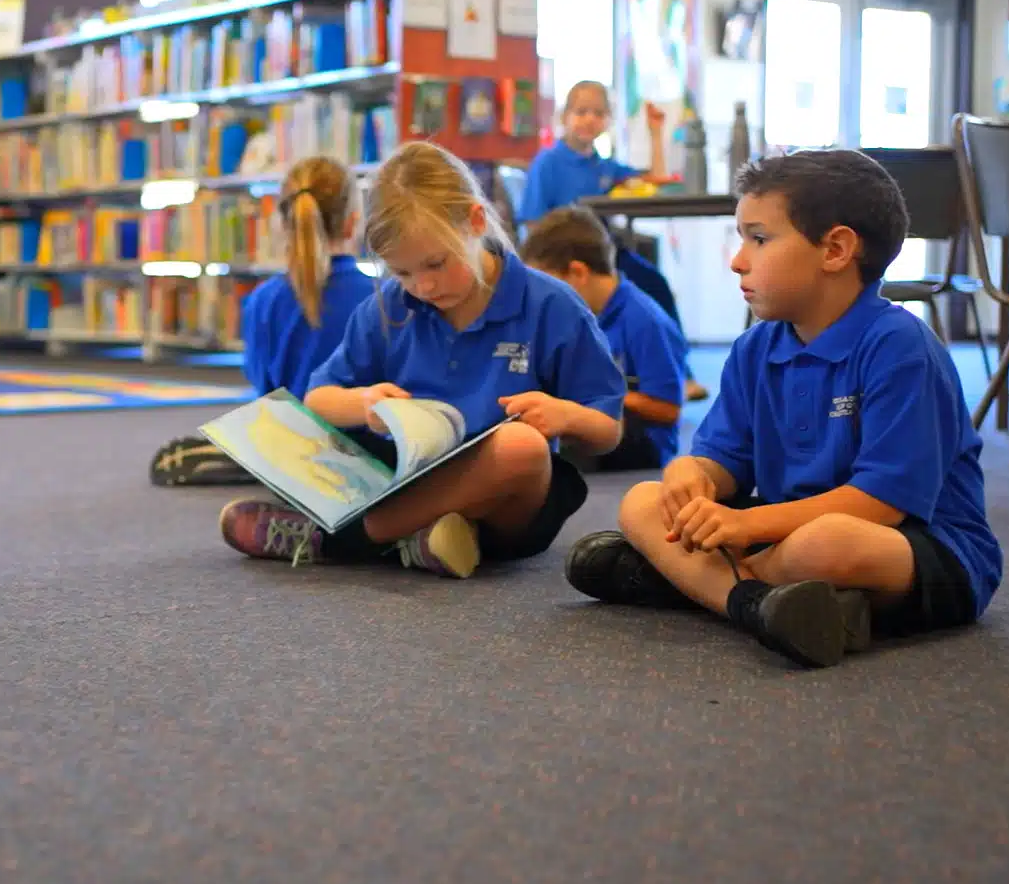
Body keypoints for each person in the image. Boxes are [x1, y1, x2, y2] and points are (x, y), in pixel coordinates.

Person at [563, 150, 1002, 670]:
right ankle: (769, 605)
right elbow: (725, 461)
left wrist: (746, 527)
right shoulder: (755, 348)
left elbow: (881, 504)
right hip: (781, 530)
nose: (737, 260)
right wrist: (693, 474)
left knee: (823, 544)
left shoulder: (900, 346)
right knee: (643, 500)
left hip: (921, 546)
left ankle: (693, 585)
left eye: (759, 239)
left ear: (835, 250)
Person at [217, 141, 627, 580]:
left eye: (436, 263)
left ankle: (340, 540)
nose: (424, 286)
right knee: (282, 430)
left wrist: (565, 416)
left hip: (502, 505)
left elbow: (608, 431)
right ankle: (424, 540)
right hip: (406, 475)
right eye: (403, 272)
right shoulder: (390, 305)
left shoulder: (551, 304)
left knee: (521, 447)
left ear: (475, 221)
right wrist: (365, 405)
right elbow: (319, 399)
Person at [150, 156, 375, 486]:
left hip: (288, 442)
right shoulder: (380, 297)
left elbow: (262, 383)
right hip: (362, 452)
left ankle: (259, 458)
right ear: (353, 223)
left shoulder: (263, 299)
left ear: (283, 224)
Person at [515, 79, 707, 402]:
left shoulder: (603, 165)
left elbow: (656, 179)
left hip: (605, 256)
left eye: (598, 113)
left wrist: (656, 132)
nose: (589, 119)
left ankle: (680, 372)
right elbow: (532, 223)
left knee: (655, 284)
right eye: (581, 112)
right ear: (565, 116)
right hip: (563, 259)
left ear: (607, 120)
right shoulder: (547, 163)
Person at [520, 205, 687, 471]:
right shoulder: (582, 315)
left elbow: (669, 409)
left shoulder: (645, 320)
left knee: (547, 444)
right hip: (599, 420)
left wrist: (593, 398)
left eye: (546, 284)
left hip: (643, 442)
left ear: (578, 273)